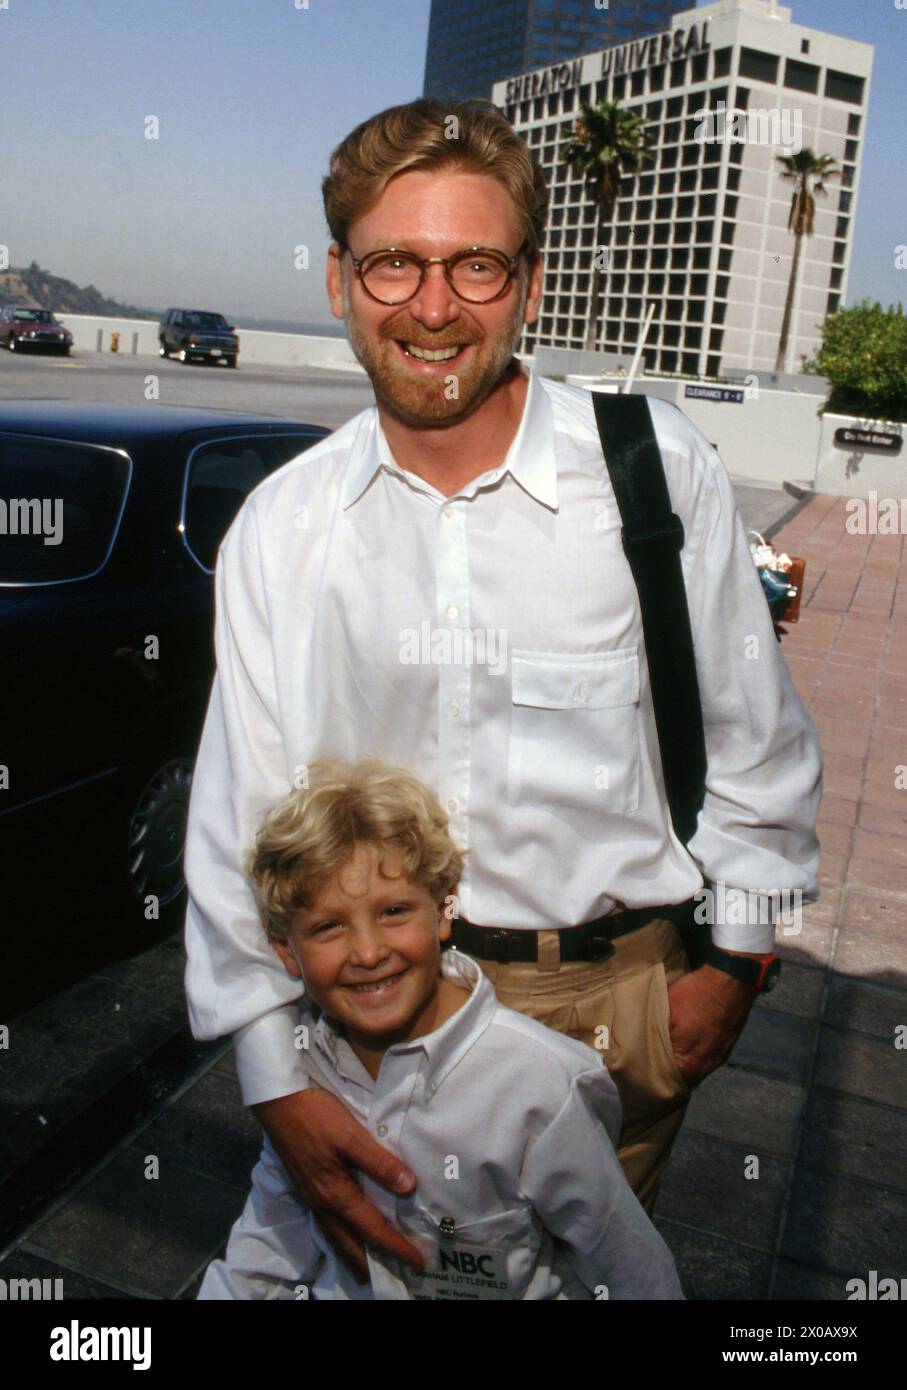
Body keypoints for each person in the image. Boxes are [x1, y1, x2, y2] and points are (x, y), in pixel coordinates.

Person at [183, 97, 822, 1282]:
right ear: (337, 280)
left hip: (615, 1004)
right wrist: (273, 1077)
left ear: (526, 281)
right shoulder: (284, 529)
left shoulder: (651, 470)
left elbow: (757, 746)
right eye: (394, 264)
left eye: (474, 264)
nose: (433, 308)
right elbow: (243, 819)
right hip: (362, 1021)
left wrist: (730, 969)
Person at [197, 758, 683, 1301]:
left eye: (394, 911)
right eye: (328, 926)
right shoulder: (302, 1074)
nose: (368, 952)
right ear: (286, 949)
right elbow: (264, 1252)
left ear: (445, 908)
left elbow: (630, 1269)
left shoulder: (542, 1084)